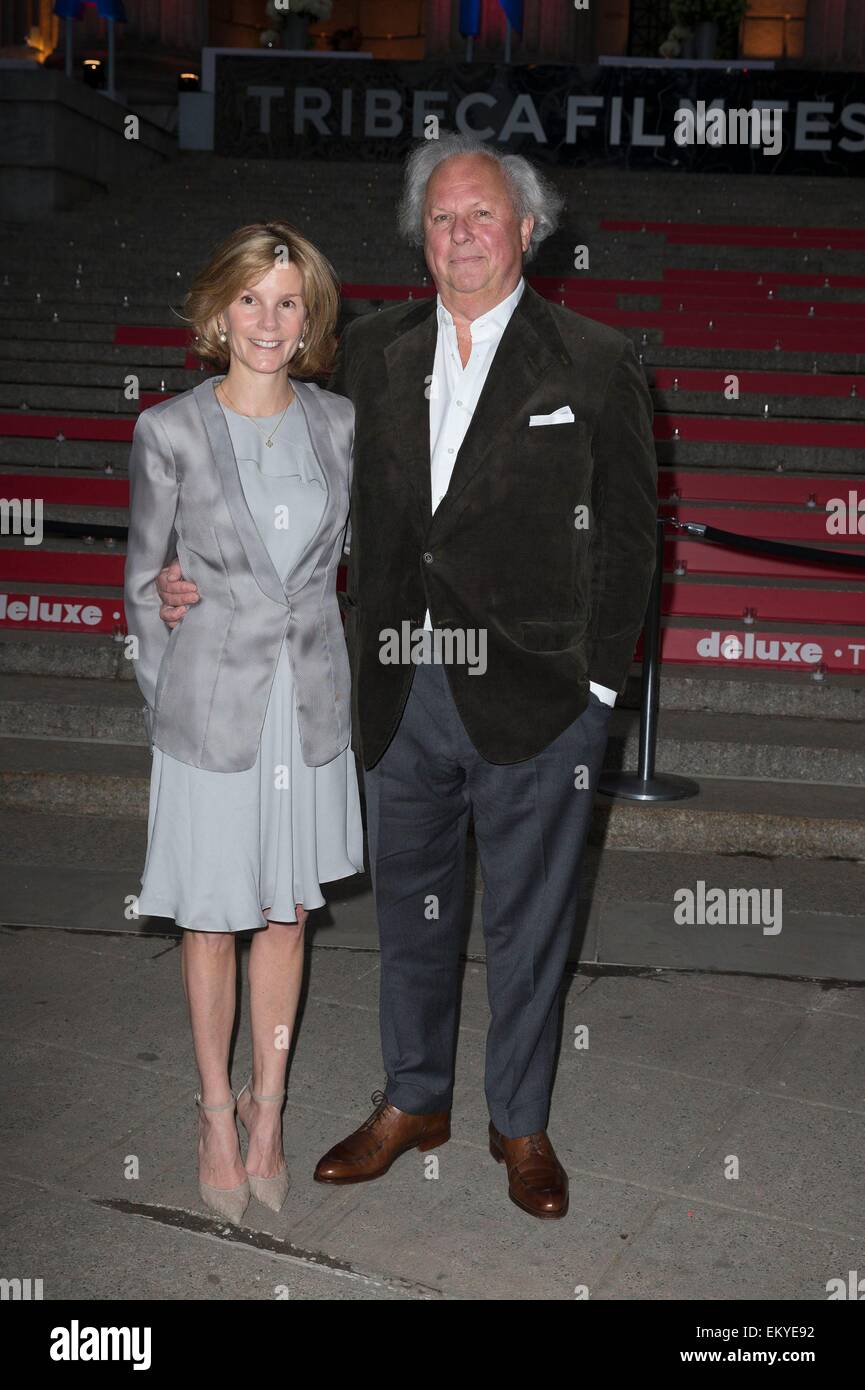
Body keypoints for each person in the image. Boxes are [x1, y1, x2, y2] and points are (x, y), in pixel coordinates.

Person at [157, 133, 657, 1220]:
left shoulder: (595, 359)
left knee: (530, 924)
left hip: (538, 697)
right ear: (418, 238)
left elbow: (629, 537)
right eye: (440, 218)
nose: (461, 234)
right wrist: (181, 566)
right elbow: (256, 426)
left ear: (528, 230)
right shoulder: (372, 351)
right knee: (413, 919)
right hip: (397, 689)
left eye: (482, 215)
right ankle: (413, 1100)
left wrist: (599, 694)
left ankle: (518, 1123)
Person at [124, 221, 364, 1226]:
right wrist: (166, 695)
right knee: (212, 919)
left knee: (285, 916)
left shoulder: (340, 424)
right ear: (219, 311)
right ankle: (213, 1115)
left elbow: (363, 556)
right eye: (252, 300)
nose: (269, 321)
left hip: (305, 710)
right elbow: (144, 580)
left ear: (308, 318)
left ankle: (269, 1114)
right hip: (213, 710)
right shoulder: (168, 429)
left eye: (289, 302)